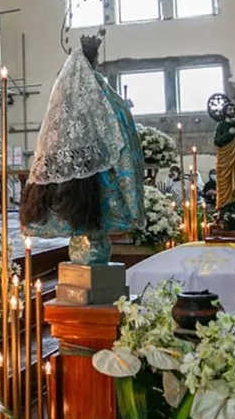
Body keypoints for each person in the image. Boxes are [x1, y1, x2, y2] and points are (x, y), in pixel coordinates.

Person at [21, 34, 144, 264]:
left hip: (80, 184)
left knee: (84, 218)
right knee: (89, 219)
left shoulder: (64, 98)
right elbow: (123, 138)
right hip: (94, 183)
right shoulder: (107, 99)